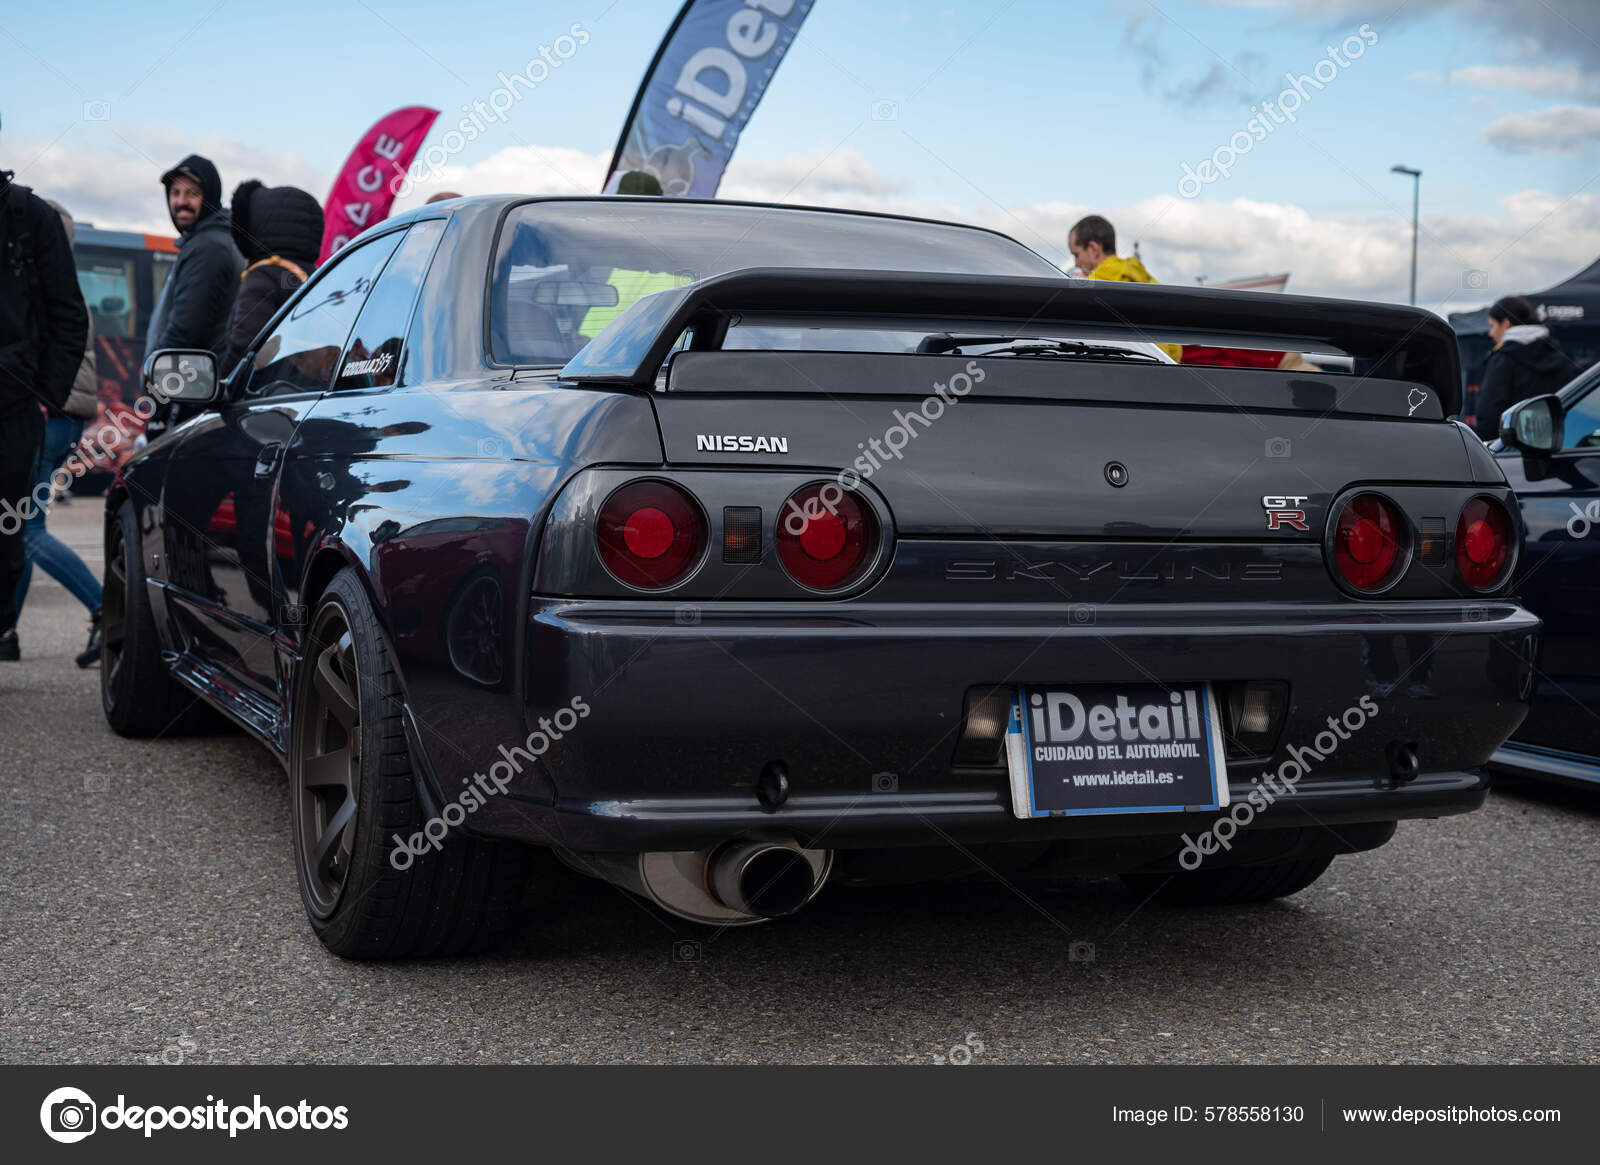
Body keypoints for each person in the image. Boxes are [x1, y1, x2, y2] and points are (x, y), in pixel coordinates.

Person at [6, 201, 104, 666]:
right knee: (21, 528)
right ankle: (8, 632)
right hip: (57, 414)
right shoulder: (55, 280)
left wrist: (41, 402)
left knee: (27, 530)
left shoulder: (41, 282)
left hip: (48, 416)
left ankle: (106, 609)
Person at [143, 154, 244, 437]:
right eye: (175, 193)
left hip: (188, 397)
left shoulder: (207, 248)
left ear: (210, 196)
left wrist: (156, 395)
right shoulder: (212, 240)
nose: (180, 202)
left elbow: (185, 331)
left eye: (192, 193)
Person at [222, 180, 323, 375]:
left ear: (255, 224)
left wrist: (220, 385)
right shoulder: (319, 276)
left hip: (273, 394)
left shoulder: (262, 276)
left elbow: (244, 347)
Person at [1066, 215, 1181, 362]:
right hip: (1161, 373)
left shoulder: (1091, 290)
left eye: (1076, 254)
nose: (1076, 263)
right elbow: (1175, 350)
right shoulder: (1152, 283)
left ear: (1093, 249)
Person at [1473, 295, 1580, 440]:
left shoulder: (1503, 359)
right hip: (1563, 445)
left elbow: (1489, 415)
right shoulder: (1560, 354)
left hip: (1512, 451)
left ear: (1505, 323)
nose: (1490, 333)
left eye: (1492, 326)